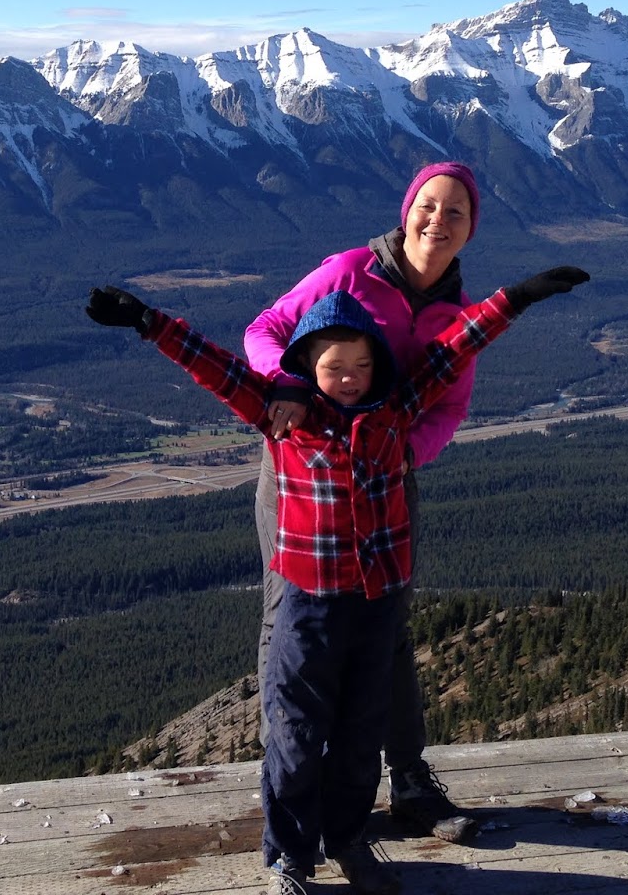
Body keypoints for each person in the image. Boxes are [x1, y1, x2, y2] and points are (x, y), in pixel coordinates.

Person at [86, 264, 588, 895]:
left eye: (360, 365)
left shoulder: (397, 408)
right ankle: (288, 856)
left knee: (358, 734)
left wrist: (513, 298)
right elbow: (213, 365)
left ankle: (349, 840)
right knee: (296, 734)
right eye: (333, 367)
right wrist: (146, 321)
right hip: (309, 603)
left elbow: (455, 348)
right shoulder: (283, 415)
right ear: (306, 368)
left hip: (376, 603)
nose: (349, 379)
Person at [243, 160, 492, 843]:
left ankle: (410, 782)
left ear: (471, 231)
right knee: (287, 624)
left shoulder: (455, 314)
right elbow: (265, 328)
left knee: (392, 630)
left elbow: (451, 406)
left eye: (456, 213)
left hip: (386, 482)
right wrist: (282, 385)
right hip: (301, 478)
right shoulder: (349, 271)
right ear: (407, 208)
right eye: (429, 206)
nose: (438, 222)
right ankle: (292, 797)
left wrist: (408, 452)